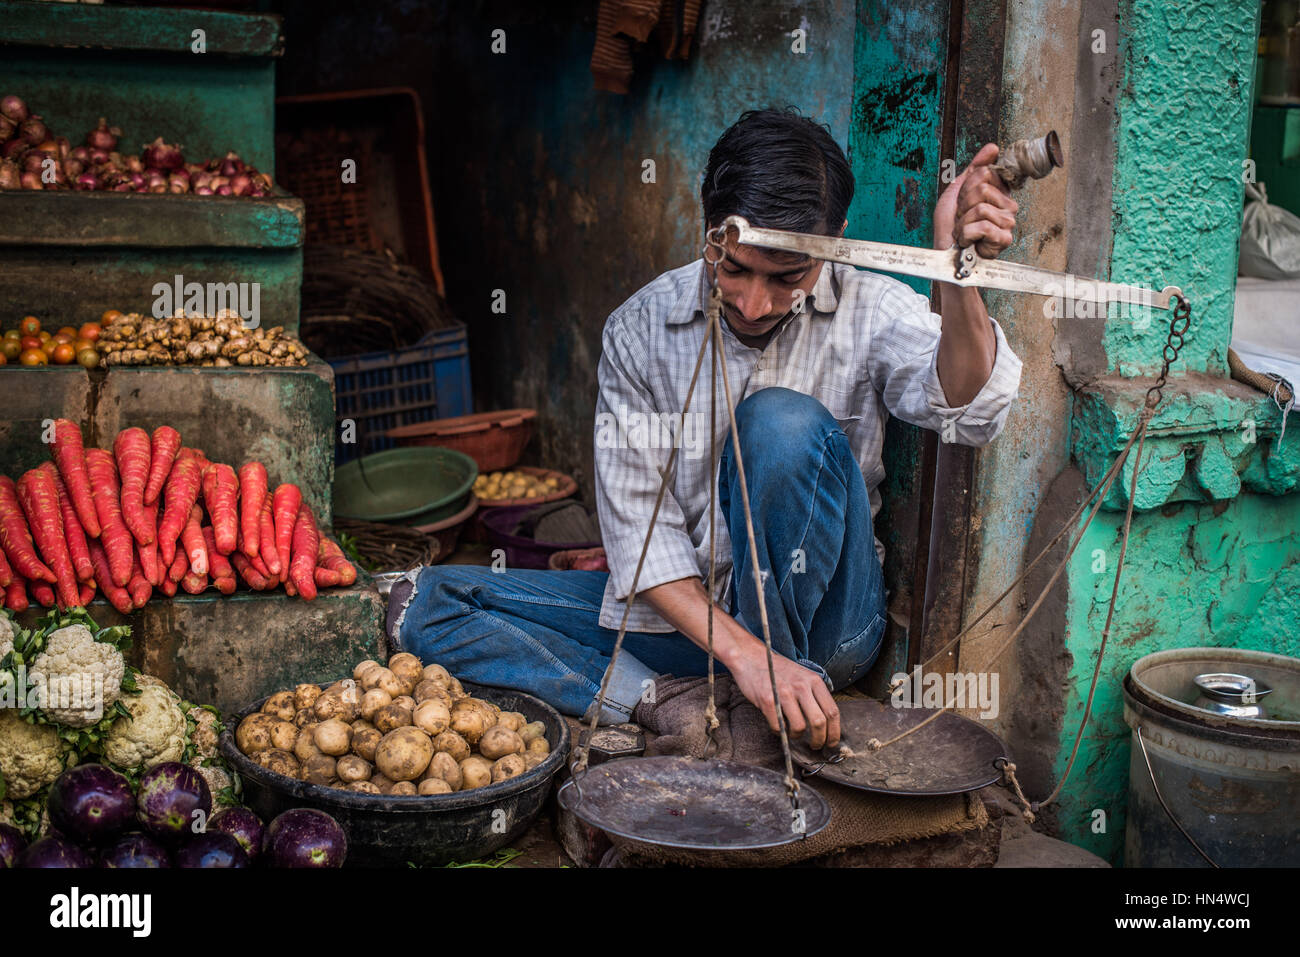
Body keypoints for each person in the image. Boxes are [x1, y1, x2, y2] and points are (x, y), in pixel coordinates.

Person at [389, 108, 1023, 750]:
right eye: (734, 269)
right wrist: (745, 655)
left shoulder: (871, 309)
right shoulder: (640, 331)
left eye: (787, 278)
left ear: (836, 239)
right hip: (700, 633)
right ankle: (654, 703)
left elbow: (968, 409)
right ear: (706, 231)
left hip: (829, 632)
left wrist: (957, 271)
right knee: (432, 603)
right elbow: (641, 533)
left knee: (778, 420)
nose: (753, 304)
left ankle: (776, 686)